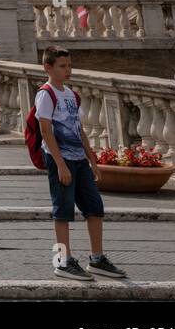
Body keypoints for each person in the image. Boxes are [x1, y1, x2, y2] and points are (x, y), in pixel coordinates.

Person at [34, 46, 125, 282]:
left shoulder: (71, 95)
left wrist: (92, 159)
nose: (68, 70)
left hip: (79, 159)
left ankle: (97, 258)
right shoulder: (46, 94)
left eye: (69, 66)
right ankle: (62, 261)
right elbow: (45, 131)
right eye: (63, 66)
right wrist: (60, 164)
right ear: (48, 67)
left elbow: (79, 129)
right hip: (60, 160)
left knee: (95, 207)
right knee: (62, 211)